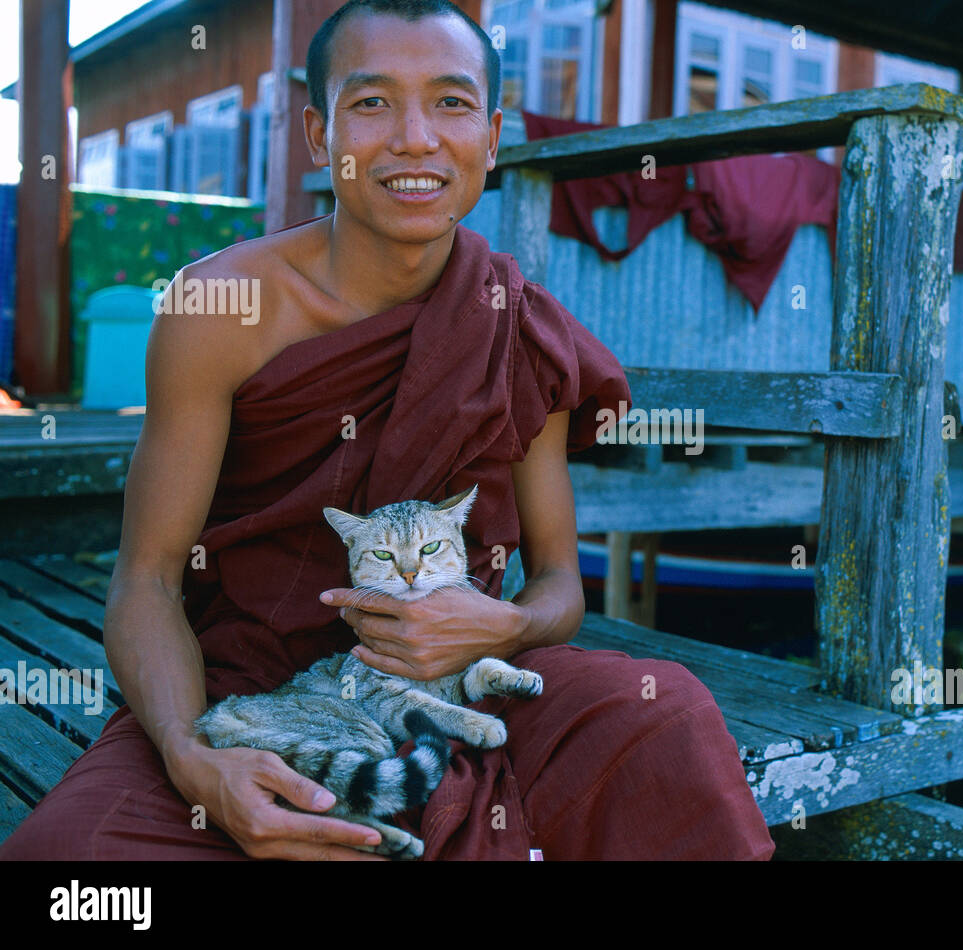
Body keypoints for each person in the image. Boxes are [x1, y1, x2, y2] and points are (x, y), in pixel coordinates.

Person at [0, 0, 774, 861]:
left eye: (451, 102)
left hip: (462, 682)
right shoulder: (219, 310)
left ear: (491, 135)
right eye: (371, 102)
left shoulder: (519, 326)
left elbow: (559, 586)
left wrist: (502, 628)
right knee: (66, 860)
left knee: (664, 715)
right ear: (316, 133)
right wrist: (193, 761)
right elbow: (144, 581)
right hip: (250, 686)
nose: (414, 139)